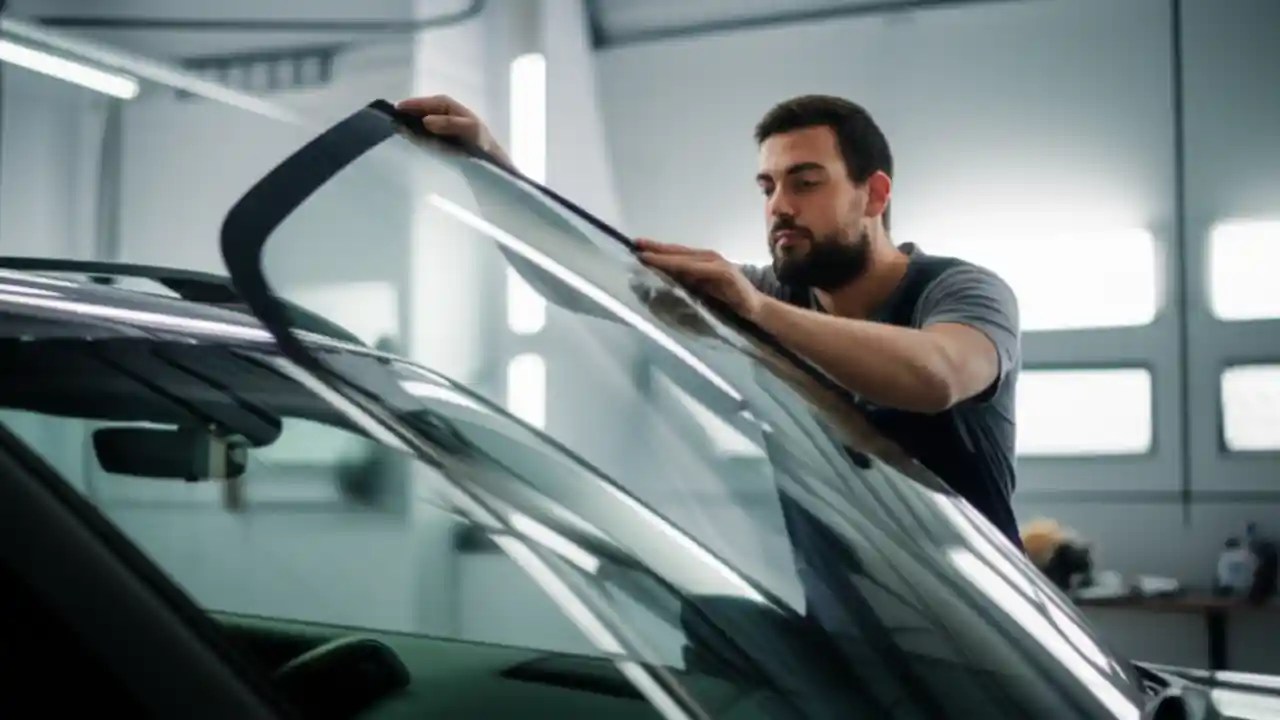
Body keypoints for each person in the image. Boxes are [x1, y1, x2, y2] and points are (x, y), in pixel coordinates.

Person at [395, 94, 1023, 547]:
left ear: (875, 195)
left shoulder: (962, 290)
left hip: (979, 622)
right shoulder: (767, 292)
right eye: (767, 186)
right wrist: (491, 171)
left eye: (805, 182)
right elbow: (580, 280)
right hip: (851, 611)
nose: (779, 206)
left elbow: (936, 376)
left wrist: (755, 311)